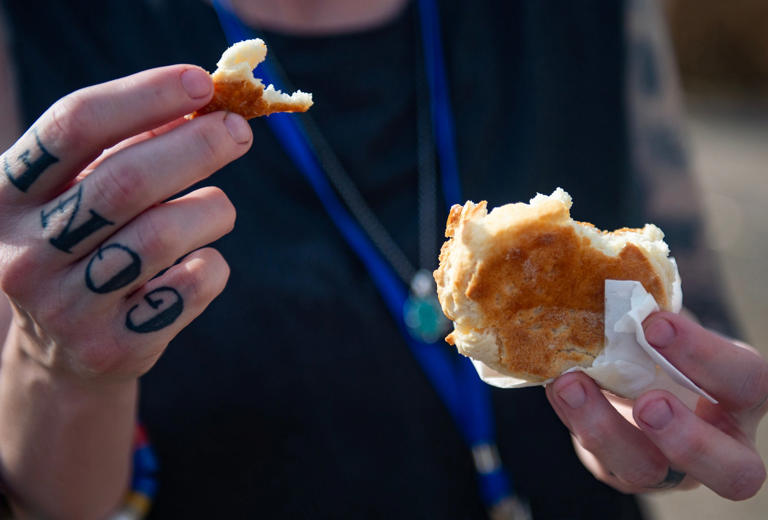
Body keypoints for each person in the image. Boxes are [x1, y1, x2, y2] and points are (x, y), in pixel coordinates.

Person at [0, 0, 766, 518]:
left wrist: (662, 403)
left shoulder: (591, 14)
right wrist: (59, 370)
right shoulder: (30, 33)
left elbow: (690, 330)